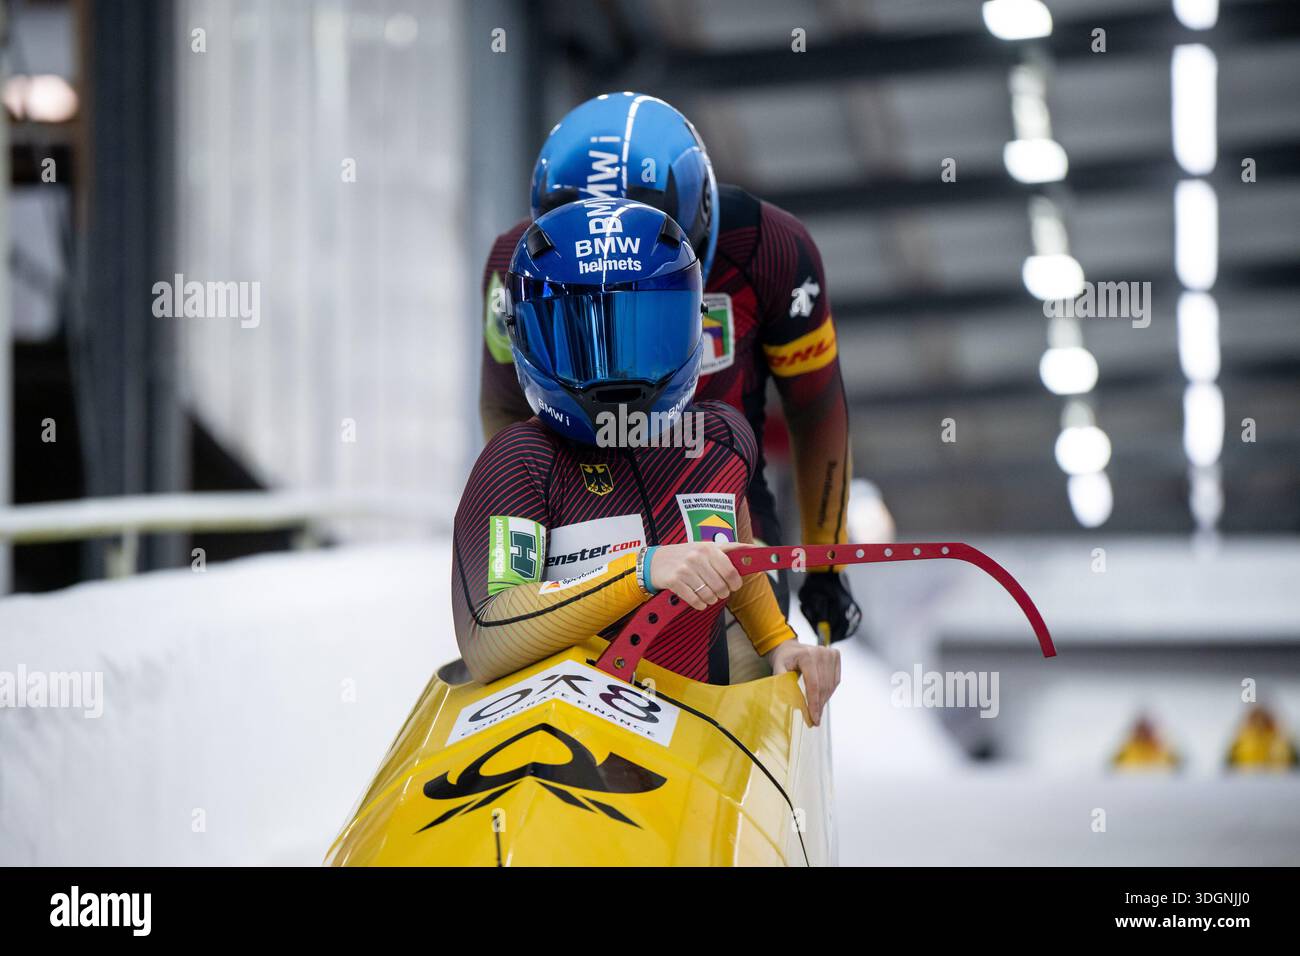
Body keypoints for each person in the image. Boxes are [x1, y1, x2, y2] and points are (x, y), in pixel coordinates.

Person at [477, 93, 861, 661]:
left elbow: (815, 407)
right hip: (575, 502)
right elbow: (508, 412)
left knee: (731, 653)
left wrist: (826, 561)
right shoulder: (517, 264)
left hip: (717, 503)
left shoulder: (771, 252)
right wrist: (521, 510)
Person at [452, 197, 840, 724]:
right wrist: (642, 570)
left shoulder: (717, 441)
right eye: (582, 337)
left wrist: (780, 644)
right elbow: (491, 634)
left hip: (689, 754)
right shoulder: (520, 464)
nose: (617, 375)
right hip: (551, 744)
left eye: (645, 332)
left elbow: (735, 555)